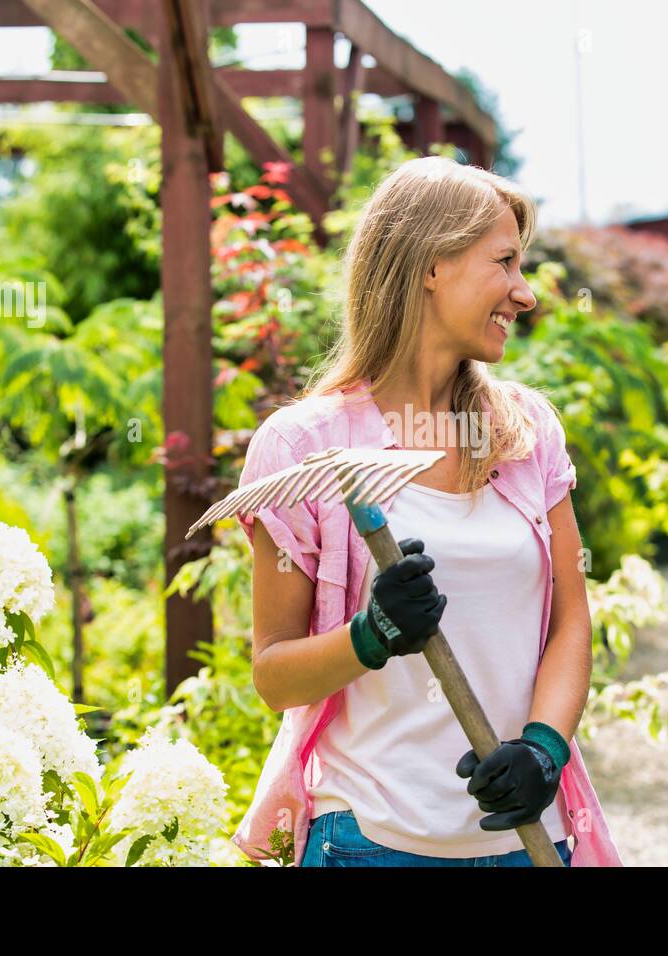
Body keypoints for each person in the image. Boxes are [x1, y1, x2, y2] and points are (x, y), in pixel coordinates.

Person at [231, 155, 622, 867]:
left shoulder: (525, 432)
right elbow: (273, 673)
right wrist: (370, 635)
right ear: (430, 266)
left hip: (527, 839)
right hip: (368, 842)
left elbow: (572, 617)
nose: (524, 293)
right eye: (504, 262)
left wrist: (544, 748)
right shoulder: (304, 445)